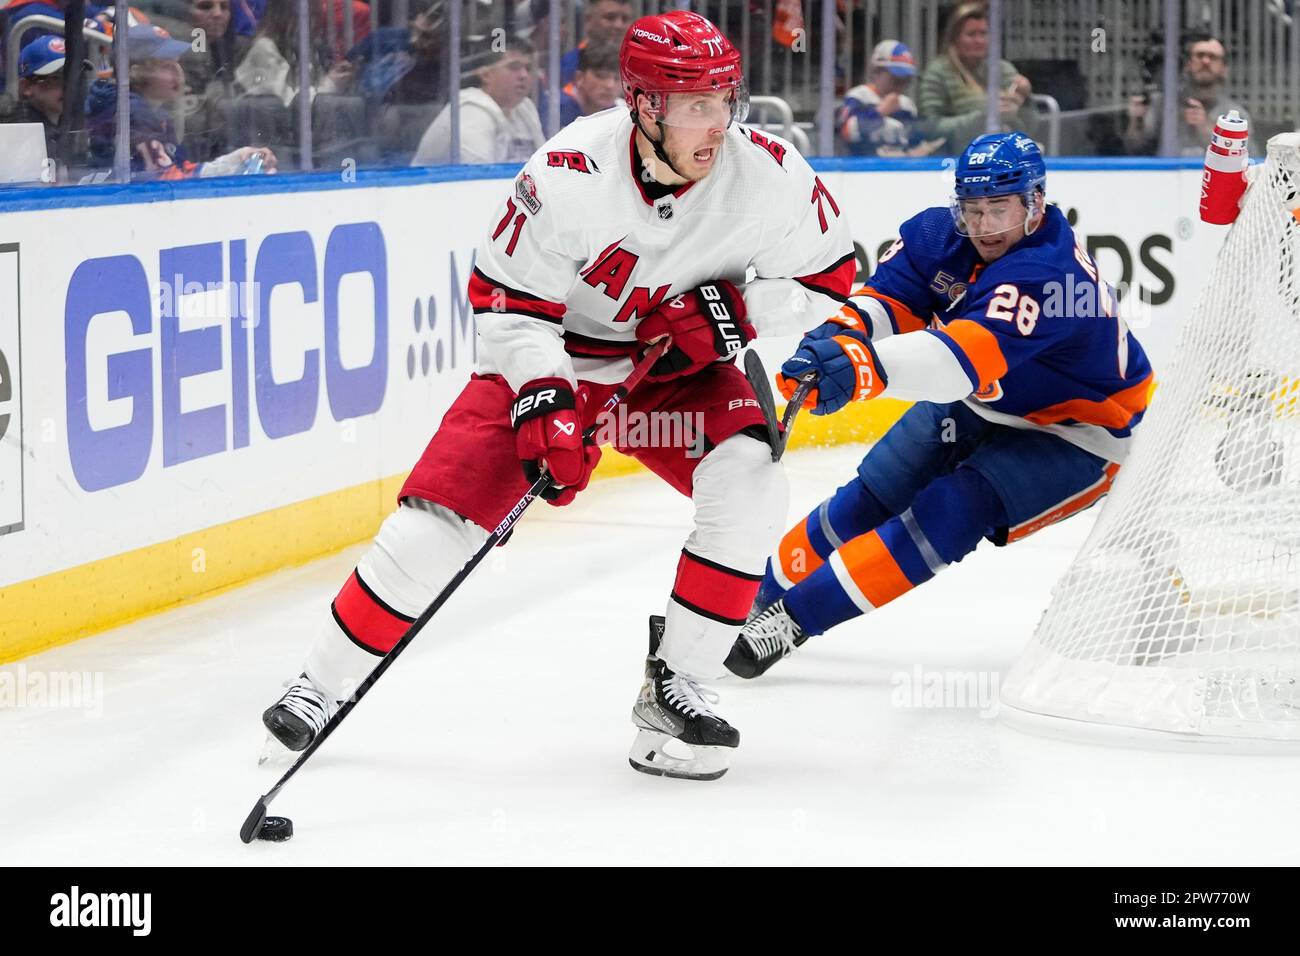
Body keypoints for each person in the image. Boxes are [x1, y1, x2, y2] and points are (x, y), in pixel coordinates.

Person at [262, 10, 855, 781]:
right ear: (645, 105)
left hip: (678, 371)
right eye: (696, 105)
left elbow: (832, 281)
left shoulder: (770, 173)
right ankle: (318, 686)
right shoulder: (569, 172)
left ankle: (679, 690)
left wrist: (738, 314)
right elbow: (508, 305)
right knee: (439, 524)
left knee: (750, 482)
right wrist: (547, 399)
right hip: (561, 356)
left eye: (725, 100)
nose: (719, 124)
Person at [725, 132, 1153, 679]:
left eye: (999, 209)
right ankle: (743, 603)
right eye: (972, 210)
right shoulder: (938, 234)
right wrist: (837, 336)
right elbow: (888, 301)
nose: (983, 226)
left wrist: (861, 369)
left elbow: (955, 363)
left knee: (953, 509)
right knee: (868, 498)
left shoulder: (1049, 276)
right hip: (982, 404)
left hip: (1077, 432)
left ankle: (791, 622)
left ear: (1036, 203)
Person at [87, 26, 277, 178]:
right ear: (134, 73)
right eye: (167, 66)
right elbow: (167, 179)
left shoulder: (156, 115)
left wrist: (236, 160)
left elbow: (180, 170)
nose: (179, 72)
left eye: (178, 63)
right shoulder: (130, 111)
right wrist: (230, 168)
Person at [916, 2, 1037, 156]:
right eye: (971, 34)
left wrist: (1025, 101)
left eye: (983, 34)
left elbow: (1032, 127)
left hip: (1004, 155)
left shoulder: (1003, 69)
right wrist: (983, 118)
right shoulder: (938, 72)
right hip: (955, 158)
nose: (979, 40)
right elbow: (929, 127)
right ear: (955, 38)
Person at [410, 35, 543, 165]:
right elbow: (481, 180)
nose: (524, 75)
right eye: (514, 67)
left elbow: (545, 166)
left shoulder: (525, 107)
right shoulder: (470, 113)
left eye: (529, 68)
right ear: (485, 75)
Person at [1124, 34, 1256, 157]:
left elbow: (1249, 159)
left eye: (1213, 57)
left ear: (1224, 69)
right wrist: (1137, 121)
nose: (1205, 61)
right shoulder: (1161, 104)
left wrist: (1205, 127)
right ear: (1188, 64)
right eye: (1199, 55)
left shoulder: (1236, 115)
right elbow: (1133, 150)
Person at [836, 40, 942, 158]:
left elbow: (911, 138)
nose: (900, 84)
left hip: (897, 167)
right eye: (895, 78)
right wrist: (879, 112)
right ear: (875, 71)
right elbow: (846, 132)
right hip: (861, 167)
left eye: (906, 80)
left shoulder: (907, 104)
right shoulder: (859, 96)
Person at [12, 34, 66, 159]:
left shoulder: (76, 119)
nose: (67, 87)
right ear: (26, 86)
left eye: (73, 76)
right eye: (55, 79)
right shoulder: (22, 135)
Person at [559, 0, 631, 89]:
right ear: (588, 20)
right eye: (610, 17)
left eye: (625, 19)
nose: (619, 25)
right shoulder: (568, 67)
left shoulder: (642, 65)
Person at [559, 42, 618, 127]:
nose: (610, 85)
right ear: (579, 78)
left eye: (617, 78)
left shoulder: (621, 115)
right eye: (602, 76)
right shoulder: (557, 110)